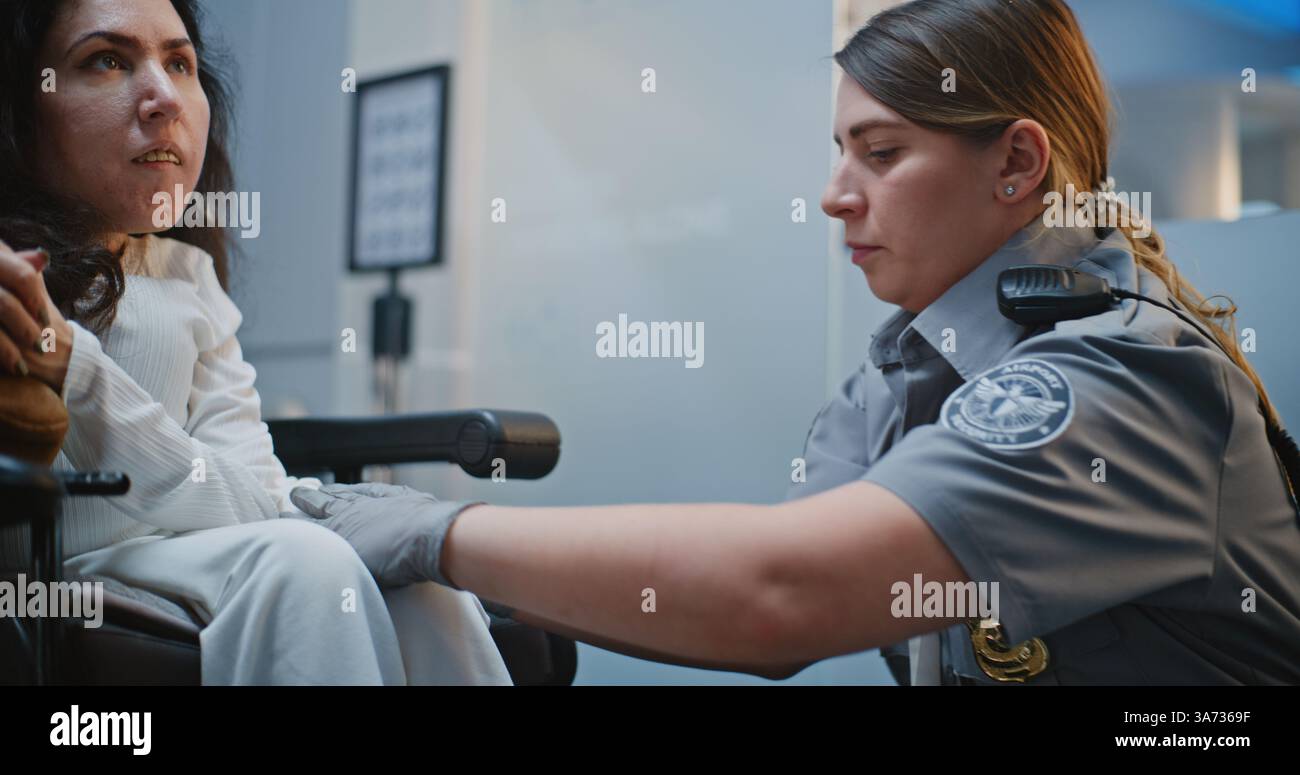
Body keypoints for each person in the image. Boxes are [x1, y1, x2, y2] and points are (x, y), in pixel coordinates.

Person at [291, 0, 1300, 684]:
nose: (834, 194)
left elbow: (779, 593)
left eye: (882, 152)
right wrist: (465, 579)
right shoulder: (919, 362)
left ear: (1017, 162)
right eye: (839, 151)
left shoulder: (1114, 380)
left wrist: (436, 531)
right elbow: (745, 604)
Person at [0, 0, 510, 685]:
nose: (163, 97)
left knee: (414, 579)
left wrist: (79, 372)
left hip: (197, 556)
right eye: (107, 60)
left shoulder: (191, 280)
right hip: (53, 569)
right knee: (311, 566)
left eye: (180, 63)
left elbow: (250, 498)